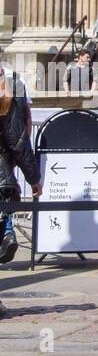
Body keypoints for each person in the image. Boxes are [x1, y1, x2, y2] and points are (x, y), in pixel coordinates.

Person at [0, 67, 38, 277]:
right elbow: (20, 138)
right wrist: (33, 178)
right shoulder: (14, 82)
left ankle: (6, 232)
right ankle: (7, 232)